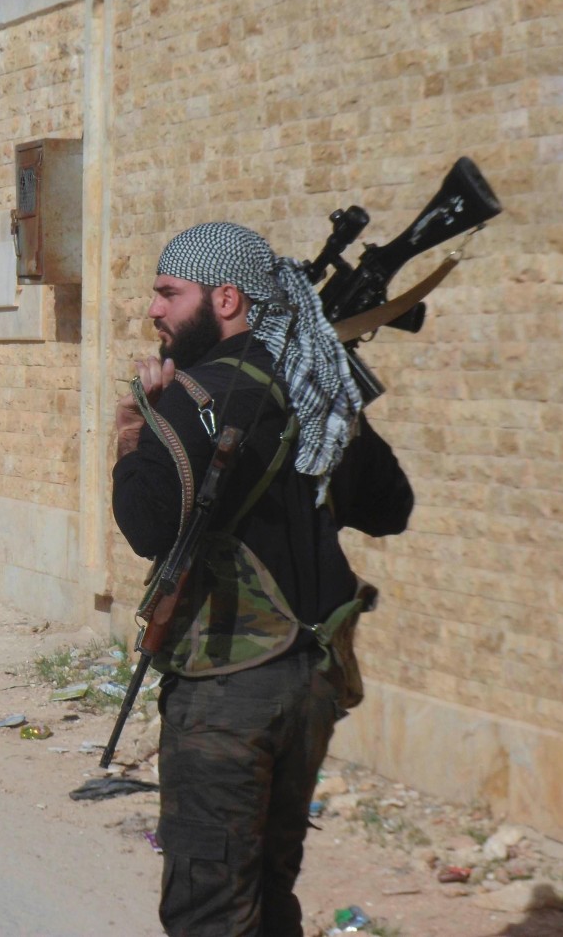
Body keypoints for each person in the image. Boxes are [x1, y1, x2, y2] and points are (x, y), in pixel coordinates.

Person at [111, 222, 413, 937]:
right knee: (270, 891)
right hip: (311, 685)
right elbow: (390, 509)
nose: (154, 310)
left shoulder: (191, 395)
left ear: (226, 299)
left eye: (168, 293)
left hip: (226, 691)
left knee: (210, 907)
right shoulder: (317, 389)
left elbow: (146, 525)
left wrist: (134, 431)